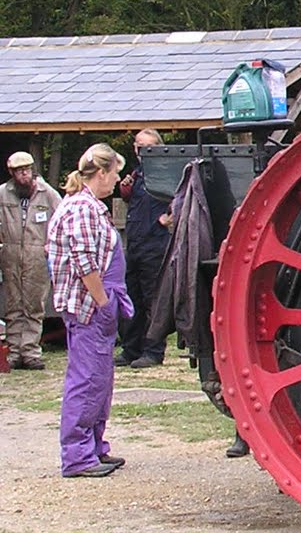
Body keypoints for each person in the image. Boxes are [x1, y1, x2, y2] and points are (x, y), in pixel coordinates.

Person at [47, 143, 132, 478]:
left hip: (95, 309)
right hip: (89, 309)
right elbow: (85, 262)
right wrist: (103, 302)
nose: (117, 180)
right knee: (86, 380)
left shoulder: (89, 206)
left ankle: (94, 448)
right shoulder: (82, 209)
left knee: (99, 380)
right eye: (114, 173)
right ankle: (78, 456)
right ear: (101, 172)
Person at [1, 150, 63, 370]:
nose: (23, 176)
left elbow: (62, 219)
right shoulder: (3, 193)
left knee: (34, 305)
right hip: (10, 254)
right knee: (13, 305)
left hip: (37, 254)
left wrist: (51, 244)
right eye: (18, 172)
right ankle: (14, 351)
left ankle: (31, 351)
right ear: (12, 173)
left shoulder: (48, 193)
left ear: (32, 169)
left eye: (26, 170)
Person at [116, 129, 173, 369]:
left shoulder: (166, 173)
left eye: (147, 147)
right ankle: (131, 349)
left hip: (156, 242)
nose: (142, 151)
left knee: (153, 299)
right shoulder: (136, 174)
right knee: (132, 297)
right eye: (139, 146)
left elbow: (182, 197)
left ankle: (153, 350)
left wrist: (168, 218)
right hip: (136, 242)